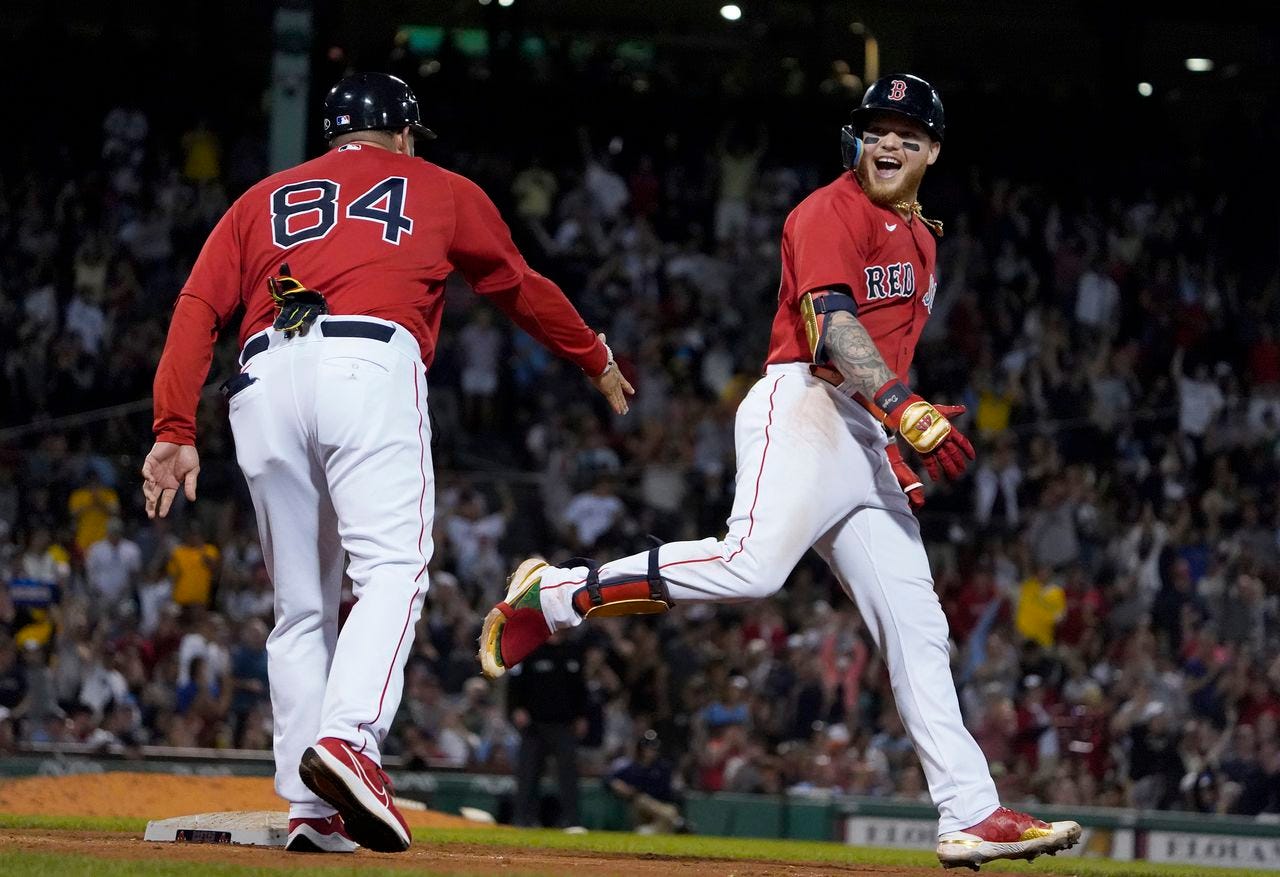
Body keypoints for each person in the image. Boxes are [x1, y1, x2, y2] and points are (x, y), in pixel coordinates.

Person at [480, 74, 1081, 869]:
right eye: (877, 128)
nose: (890, 142)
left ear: (934, 150)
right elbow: (831, 328)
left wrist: (891, 443)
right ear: (854, 140)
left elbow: (882, 354)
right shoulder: (828, 210)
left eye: (908, 132)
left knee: (917, 628)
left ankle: (970, 810)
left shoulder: (924, 238)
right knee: (752, 568)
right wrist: (904, 406)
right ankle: (557, 593)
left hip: (863, 431)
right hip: (803, 403)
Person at [142, 72, 632, 854]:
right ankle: (350, 741)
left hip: (262, 377)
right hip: (366, 361)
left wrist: (174, 422)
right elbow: (515, 283)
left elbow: (197, 307)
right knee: (394, 570)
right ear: (403, 135)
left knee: (302, 608)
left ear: (332, 138)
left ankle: (313, 808)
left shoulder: (261, 197)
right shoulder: (437, 186)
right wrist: (592, 350)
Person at [506, 630, 589, 829]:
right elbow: (515, 683)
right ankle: (523, 819)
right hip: (534, 725)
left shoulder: (573, 651)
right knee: (528, 774)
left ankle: (571, 821)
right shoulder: (530, 648)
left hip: (564, 725)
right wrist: (515, 708)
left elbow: (581, 688)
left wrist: (582, 716)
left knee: (568, 775)